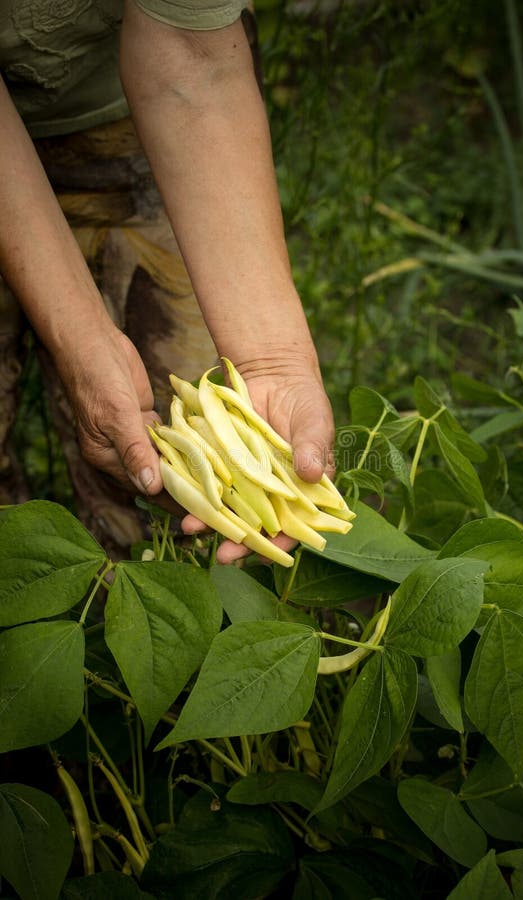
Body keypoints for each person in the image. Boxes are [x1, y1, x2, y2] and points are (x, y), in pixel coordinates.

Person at [0, 0, 334, 561]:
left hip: (126, 105)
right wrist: (81, 339)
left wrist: (273, 359)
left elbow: (194, 61)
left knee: (169, 468)